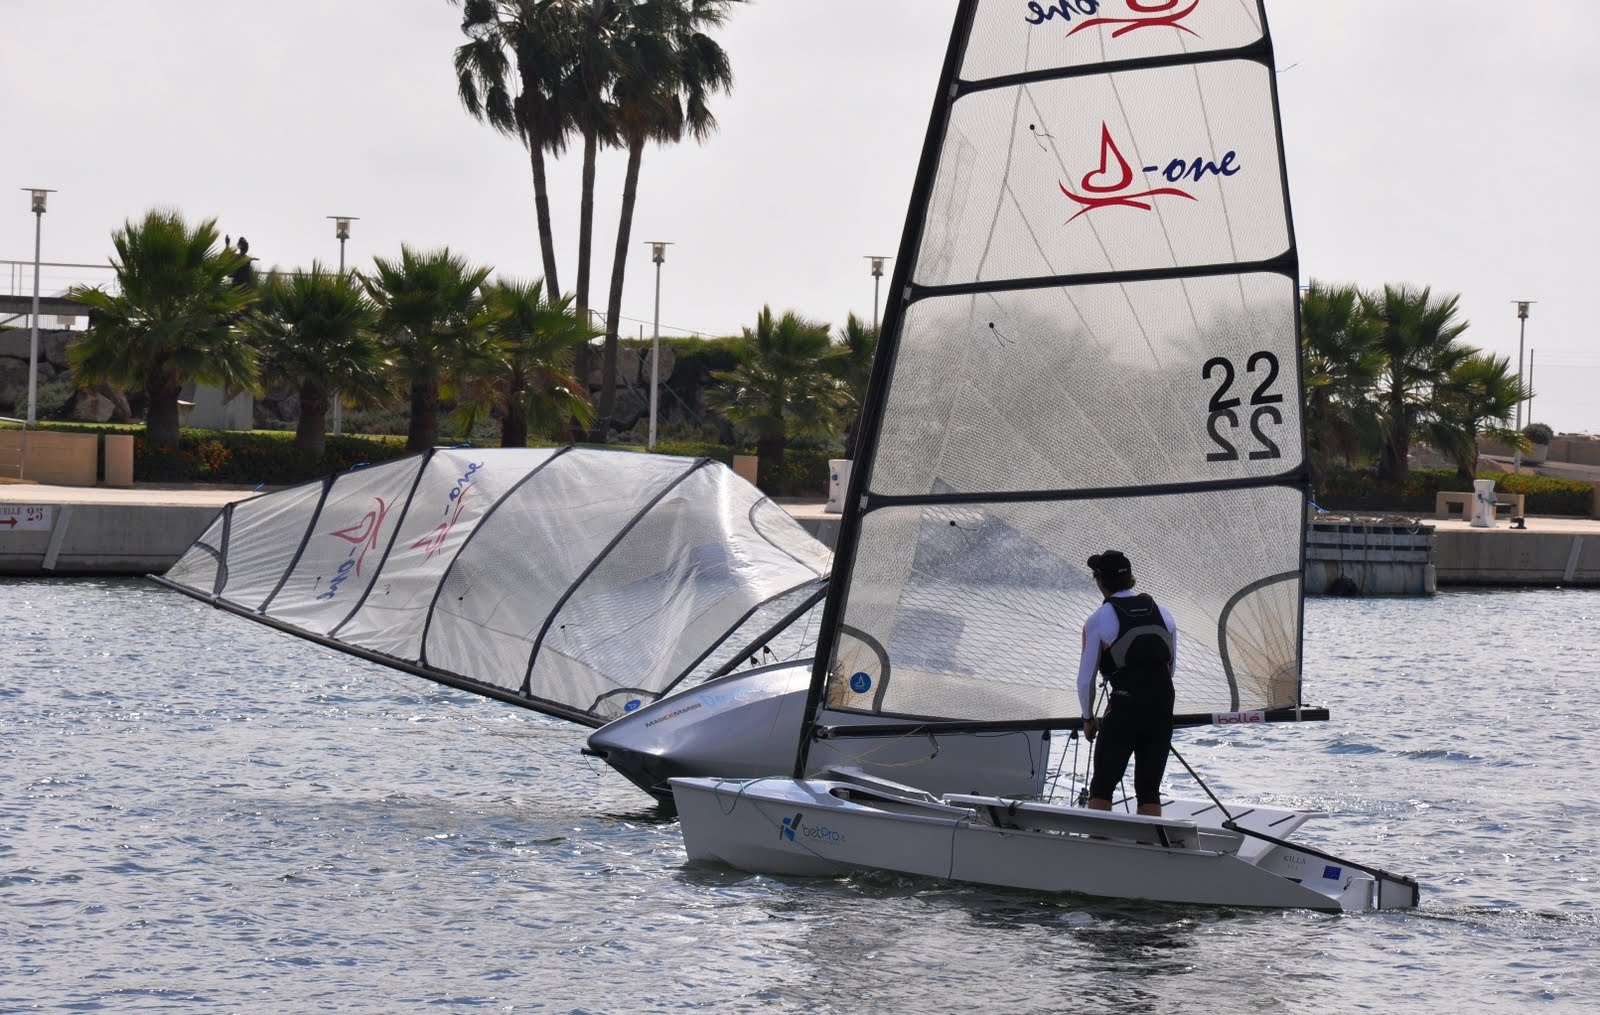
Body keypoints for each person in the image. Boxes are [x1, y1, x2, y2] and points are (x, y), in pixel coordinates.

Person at [1076, 550, 1177, 816]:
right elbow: (1171, 668)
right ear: (1131, 578)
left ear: (1100, 581)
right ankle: (1152, 849)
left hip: (1126, 704)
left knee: (1102, 785)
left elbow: (1085, 679)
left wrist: (1088, 718)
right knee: (1148, 789)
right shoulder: (1164, 612)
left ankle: (1097, 845)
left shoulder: (1098, 619)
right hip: (1162, 702)